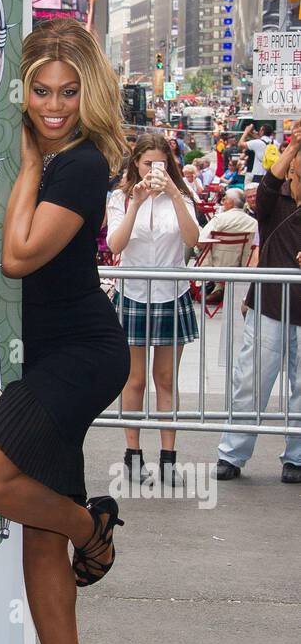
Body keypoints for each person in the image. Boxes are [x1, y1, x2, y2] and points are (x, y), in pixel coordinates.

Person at [0, 20, 129, 644]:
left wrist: (29, 163)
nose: (54, 105)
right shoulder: (60, 160)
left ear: (87, 94)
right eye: (41, 91)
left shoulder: (80, 165)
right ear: (22, 91)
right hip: (51, 355)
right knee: (37, 541)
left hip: (85, 355)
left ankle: (91, 526)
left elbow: (20, 257)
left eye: (68, 92)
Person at [106, 132, 201, 487]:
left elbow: (193, 240)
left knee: (165, 380)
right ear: (136, 164)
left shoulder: (183, 197)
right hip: (132, 294)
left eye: (160, 164)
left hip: (171, 294)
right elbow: (116, 243)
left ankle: (168, 458)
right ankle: (132, 454)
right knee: (134, 379)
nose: (153, 171)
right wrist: (135, 202)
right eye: (147, 164)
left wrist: (175, 193)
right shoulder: (120, 196)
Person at [217, 126, 301, 484]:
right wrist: (293, 143)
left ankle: (296, 457)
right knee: (251, 382)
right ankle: (232, 454)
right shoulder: (273, 201)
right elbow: (265, 187)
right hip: (269, 305)